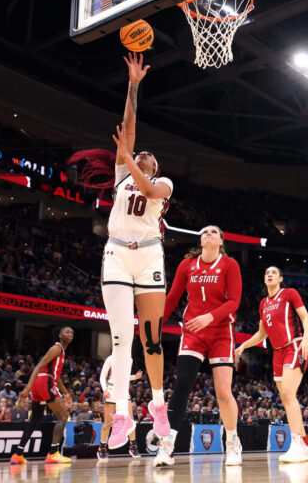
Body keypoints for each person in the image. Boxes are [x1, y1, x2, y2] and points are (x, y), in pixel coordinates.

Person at [101, 52, 172, 449]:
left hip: (149, 257)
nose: (139, 154)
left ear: (155, 166)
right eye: (135, 154)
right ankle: (123, 412)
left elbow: (147, 189)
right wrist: (133, 85)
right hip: (116, 253)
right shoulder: (121, 174)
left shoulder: (163, 184)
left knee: (153, 339)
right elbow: (127, 128)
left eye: (147, 156)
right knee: (119, 339)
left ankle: (157, 406)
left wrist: (131, 159)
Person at [154, 225, 243, 467]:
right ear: (200, 240)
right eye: (204, 232)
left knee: (223, 392)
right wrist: (154, 324)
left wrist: (210, 317)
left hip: (221, 332)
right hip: (193, 331)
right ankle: (167, 446)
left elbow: (234, 301)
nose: (208, 234)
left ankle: (233, 441)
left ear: (221, 241)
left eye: (214, 232)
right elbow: (172, 297)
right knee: (182, 384)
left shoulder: (229, 265)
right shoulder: (187, 265)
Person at [236, 266, 308, 463]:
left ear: (280, 278)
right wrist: (244, 345)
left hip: (294, 345)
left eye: (273, 272)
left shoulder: (289, 293)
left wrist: (306, 339)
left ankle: (296, 443)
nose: (269, 274)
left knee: (288, 394)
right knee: (287, 399)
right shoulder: (263, 303)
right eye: (266, 273)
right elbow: (262, 334)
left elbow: (305, 317)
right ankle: (305, 446)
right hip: (277, 352)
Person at [10, 327, 74, 464]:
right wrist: (27, 388)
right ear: (59, 335)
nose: (70, 334)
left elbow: (58, 377)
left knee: (35, 420)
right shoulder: (57, 348)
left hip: (42, 383)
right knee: (63, 415)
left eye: (72, 333)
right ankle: (53, 453)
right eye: (67, 332)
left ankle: (18, 454)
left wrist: (66, 393)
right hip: (44, 381)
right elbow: (38, 366)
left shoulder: (61, 351)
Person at [97, 355, 144, 460]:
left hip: (123, 390)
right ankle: (102, 447)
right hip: (111, 390)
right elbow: (102, 376)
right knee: (108, 423)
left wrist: (134, 377)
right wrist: (104, 389)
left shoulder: (129, 359)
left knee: (130, 421)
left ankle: (133, 446)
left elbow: (124, 378)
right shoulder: (110, 358)